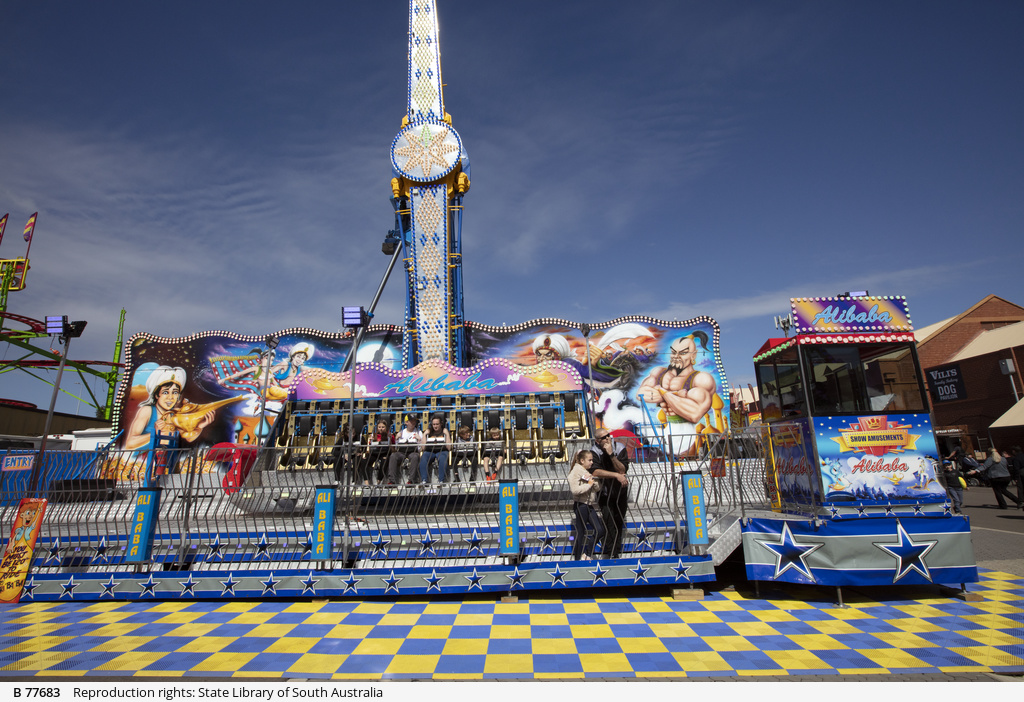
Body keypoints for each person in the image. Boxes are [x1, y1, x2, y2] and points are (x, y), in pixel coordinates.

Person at [125, 366, 214, 482]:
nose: (171, 397)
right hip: (143, 464)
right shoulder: (147, 411)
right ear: (157, 395)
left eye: (175, 392)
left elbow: (187, 436)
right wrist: (155, 434)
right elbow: (130, 442)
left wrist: (200, 427)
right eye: (166, 392)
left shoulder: (174, 415)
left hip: (167, 464)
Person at [636, 332, 716, 456]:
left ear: (693, 355)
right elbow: (640, 394)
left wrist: (662, 392)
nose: (676, 356)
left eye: (683, 353)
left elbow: (694, 414)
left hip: (688, 433)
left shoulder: (701, 379)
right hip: (667, 430)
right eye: (673, 352)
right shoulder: (659, 373)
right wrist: (677, 395)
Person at [591, 429, 630, 558]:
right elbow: (595, 471)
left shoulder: (619, 447)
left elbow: (622, 469)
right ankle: (611, 553)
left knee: (618, 521)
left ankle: (616, 551)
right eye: (603, 437)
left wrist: (611, 455)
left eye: (608, 435)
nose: (607, 438)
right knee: (609, 522)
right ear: (598, 441)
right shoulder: (594, 451)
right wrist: (615, 475)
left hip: (620, 492)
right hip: (605, 492)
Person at [567, 449, 605, 560]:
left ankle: (588, 553)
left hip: (588, 505)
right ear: (582, 461)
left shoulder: (586, 472)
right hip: (580, 505)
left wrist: (594, 482)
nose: (592, 462)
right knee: (581, 532)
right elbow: (575, 490)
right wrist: (589, 485)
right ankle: (578, 557)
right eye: (590, 460)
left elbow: (597, 487)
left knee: (600, 530)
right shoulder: (576, 471)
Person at [387, 416, 422, 485]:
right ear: (406, 422)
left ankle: (411, 480)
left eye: (414, 421)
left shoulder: (419, 432)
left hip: (413, 451)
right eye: (411, 421)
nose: (413, 423)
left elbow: (420, 448)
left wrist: (419, 440)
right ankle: (392, 480)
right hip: (402, 451)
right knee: (393, 456)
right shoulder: (401, 432)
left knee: (415, 457)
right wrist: (396, 439)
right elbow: (396, 447)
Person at [419, 415, 451, 484]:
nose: (435, 426)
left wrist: (447, 434)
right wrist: (424, 434)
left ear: (441, 424)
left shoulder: (444, 431)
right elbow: (423, 448)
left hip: (442, 450)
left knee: (443, 458)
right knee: (423, 458)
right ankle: (424, 480)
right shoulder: (429, 432)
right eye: (433, 424)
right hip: (430, 451)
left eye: (437, 424)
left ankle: (441, 480)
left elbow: (449, 447)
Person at [360, 419, 393, 485]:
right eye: (379, 427)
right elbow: (369, 448)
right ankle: (366, 482)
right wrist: (370, 441)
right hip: (374, 453)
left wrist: (391, 440)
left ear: (386, 428)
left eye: (383, 427)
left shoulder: (390, 436)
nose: (381, 429)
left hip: (385, 452)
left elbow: (393, 448)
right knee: (364, 461)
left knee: (384, 461)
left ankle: (379, 481)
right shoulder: (373, 435)